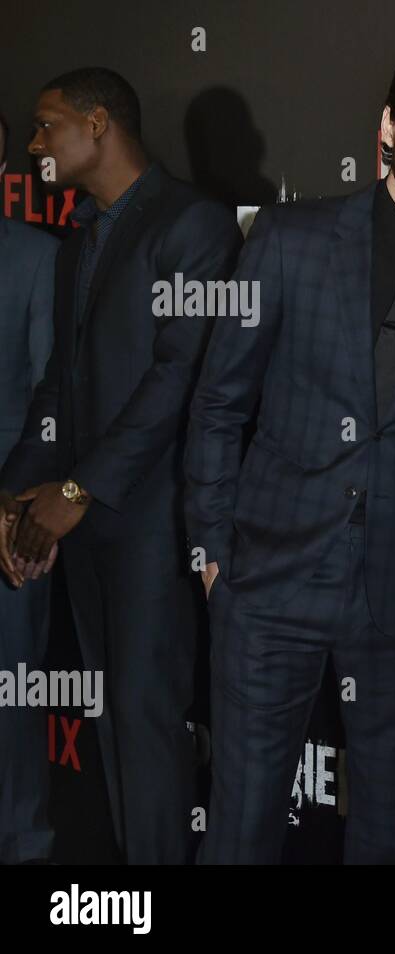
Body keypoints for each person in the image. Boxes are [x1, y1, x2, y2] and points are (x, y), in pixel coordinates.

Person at [184, 46, 395, 863]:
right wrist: (212, 551)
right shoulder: (289, 239)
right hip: (266, 581)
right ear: (385, 129)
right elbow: (218, 402)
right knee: (240, 824)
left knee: (388, 829)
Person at [0, 68, 243, 864]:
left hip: (155, 534)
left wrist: (76, 488)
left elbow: (177, 379)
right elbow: (57, 389)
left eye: (46, 126)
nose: (34, 146)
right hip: (88, 536)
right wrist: (15, 495)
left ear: (97, 124)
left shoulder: (194, 224)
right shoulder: (80, 239)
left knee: (145, 730)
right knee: (113, 734)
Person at [0, 105, 60, 864]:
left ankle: (23, 848)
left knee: (12, 703)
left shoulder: (37, 258)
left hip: (10, 518)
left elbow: (55, 404)